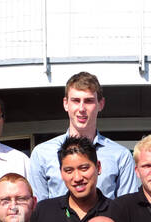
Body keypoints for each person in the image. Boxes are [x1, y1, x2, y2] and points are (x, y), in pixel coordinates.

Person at [27, 71, 138, 200]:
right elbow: (38, 210)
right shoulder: (42, 154)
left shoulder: (121, 156)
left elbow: (127, 210)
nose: (81, 108)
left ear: (100, 104)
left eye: (88, 101)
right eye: (75, 100)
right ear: (65, 103)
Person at [32, 136, 116, 222]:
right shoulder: (44, 211)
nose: (77, 178)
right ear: (61, 172)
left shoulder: (117, 212)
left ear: (98, 167)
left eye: (84, 168)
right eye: (69, 170)